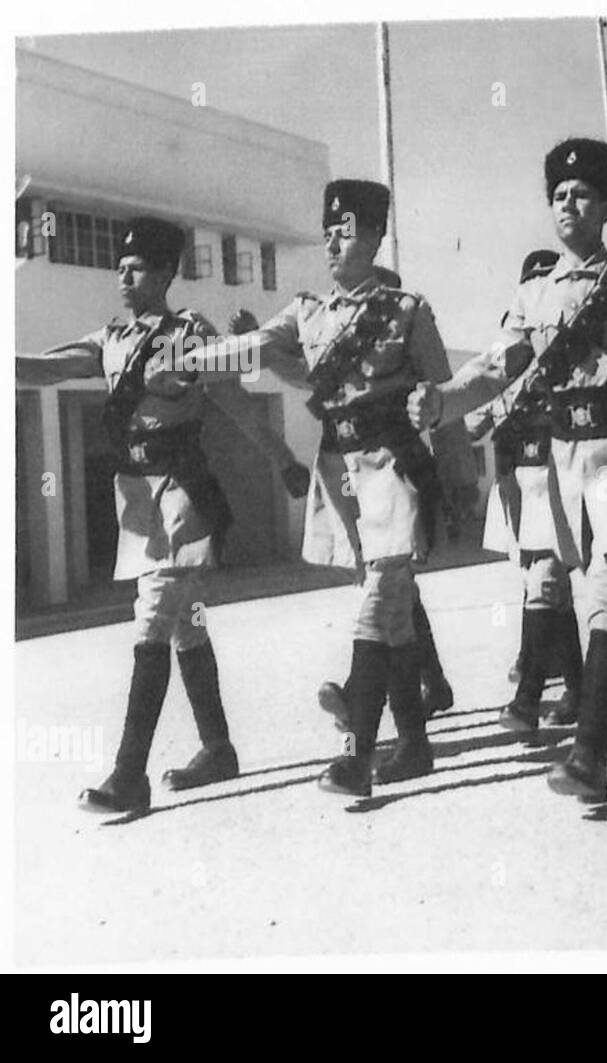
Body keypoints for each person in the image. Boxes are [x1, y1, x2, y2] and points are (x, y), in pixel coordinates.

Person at [409, 138, 607, 803]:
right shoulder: (533, 294)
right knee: (601, 600)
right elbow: (498, 367)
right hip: (560, 463)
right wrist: (441, 401)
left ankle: (588, 754)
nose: (568, 204)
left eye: (582, 194)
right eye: (557, 195)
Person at [17, 217, 306, 814]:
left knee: (152, 620)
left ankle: (129, 775)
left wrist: (283, 460)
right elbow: (46, 368)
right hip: (139, 501)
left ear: (167, 272)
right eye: (121, 266)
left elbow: (236, 403)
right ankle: (218, 749)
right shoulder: (112, 339)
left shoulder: (186, 337)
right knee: (184, 624)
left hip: (183, 495)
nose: (125, 275)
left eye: (139, 266)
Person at [187, 179, 456, 798]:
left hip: (395, 468)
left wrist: (457, 484)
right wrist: (191, 358)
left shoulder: (409, 310)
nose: (333, 241)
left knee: (379, 603)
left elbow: (450, 397)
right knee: (390, 610)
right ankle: (414, 743)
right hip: (341, 471)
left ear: (374, 237)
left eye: (347, 230)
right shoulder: (307, 314)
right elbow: (252, 350)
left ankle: (355, 756)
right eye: (329, 230)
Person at [463, 249, 584, 732]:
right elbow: (471, 424)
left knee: (546, 585)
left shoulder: (575, 361)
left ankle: (527, 697)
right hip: (518, 489)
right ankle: (577, 689)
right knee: (555, 596)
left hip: (559, 483)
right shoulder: (503, 362)